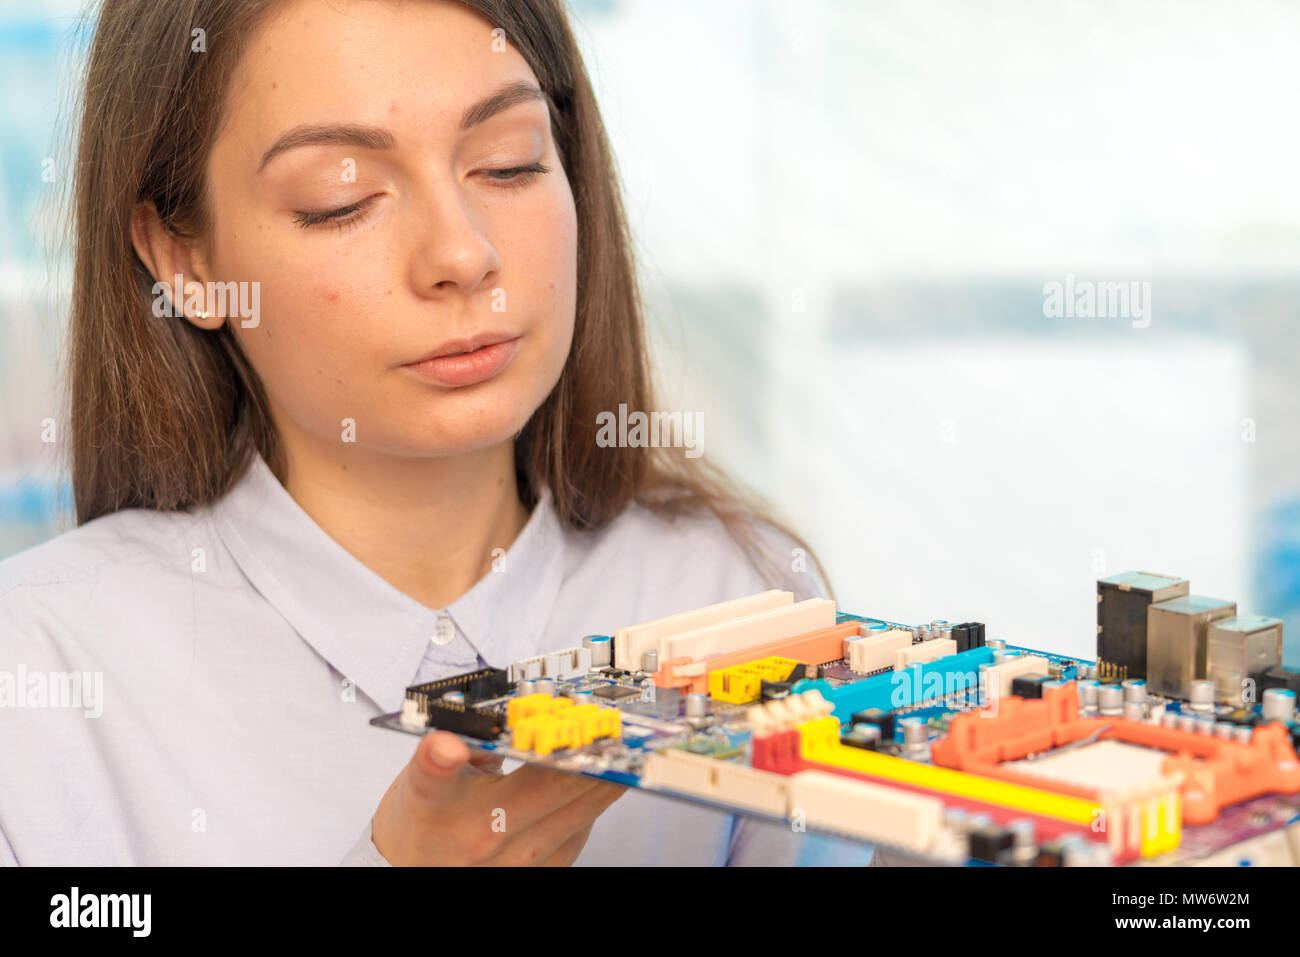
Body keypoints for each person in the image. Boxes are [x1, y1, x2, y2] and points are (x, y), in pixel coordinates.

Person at [0, 0, 874, 866]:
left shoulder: (740, 593)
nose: (462, 255)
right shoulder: (36, 669)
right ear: (182, 261)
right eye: (339, 199)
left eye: (508, 164)